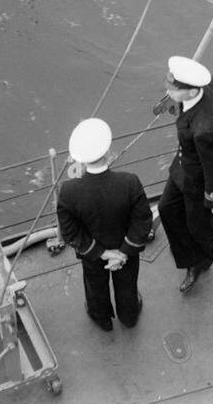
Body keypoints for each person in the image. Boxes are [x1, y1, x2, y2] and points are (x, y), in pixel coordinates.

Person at [56, 118, 152, 332]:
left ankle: (101, 318)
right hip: (126, 251)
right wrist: (123, 253)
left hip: (92, 254)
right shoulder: (130, 182)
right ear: (109, 153)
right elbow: (142, 221)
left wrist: (101, 253)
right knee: (127, 285)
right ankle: (129, 316)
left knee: (95, 286)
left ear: (80, 160)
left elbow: (70, 231)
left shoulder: (69, 191)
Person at [158, 56, 213, 293]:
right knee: (166, 208)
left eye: (172, 90)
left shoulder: (204, 129)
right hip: (185, 163)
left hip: (199, 179)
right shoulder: (206, 83)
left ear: (191, 91)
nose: (167, 90)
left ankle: (200, 261)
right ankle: (185, 249)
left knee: (199, 225)